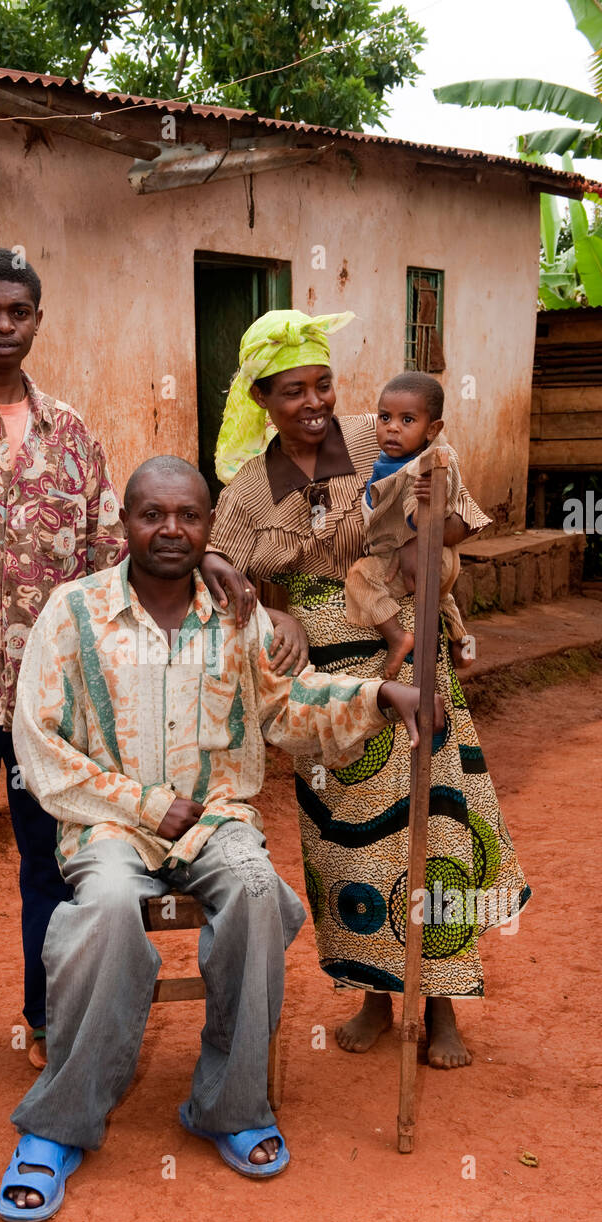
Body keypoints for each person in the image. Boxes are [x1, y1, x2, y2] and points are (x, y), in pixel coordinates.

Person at [0, 455, 436, 1222]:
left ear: (209, 528)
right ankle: (58, 1125)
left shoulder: (238, 615)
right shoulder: (72, 614)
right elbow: (38, 746)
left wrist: (378, 695)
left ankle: (230, 1106)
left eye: (188, 515)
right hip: (109, 825)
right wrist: (143, 803)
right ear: (125, 523)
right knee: (104, 912)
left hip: (218, 820)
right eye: (152, 514)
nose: (171, 529)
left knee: (258, 892)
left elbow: (288, 707)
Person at [0, 250, 267, 1101]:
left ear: (37, 321)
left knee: (54, 864)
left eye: (18, 312)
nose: (3, 325)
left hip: (61, 705)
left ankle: (51, 1014)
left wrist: (209, 560)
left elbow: (114, 551)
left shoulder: (74, 433)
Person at [210, 309, 530, 1068]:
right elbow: (218, 563)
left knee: (435, 828)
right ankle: (375, 996)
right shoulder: (248, 488)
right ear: (261, 399)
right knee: (345, 844)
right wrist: (275, 612)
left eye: (323, 384)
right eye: (294, 390)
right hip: (320, 688)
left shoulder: (374, 437)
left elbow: (453, 503)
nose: (314, 402)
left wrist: (427, 534)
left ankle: (443, 1004)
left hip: (408, 660)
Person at [344, 371, 471, 679]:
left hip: (423, 554)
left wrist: (429, 504)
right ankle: (460, 641)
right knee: (441, 596)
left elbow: (418, 516)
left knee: (359, 579)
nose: (392, 428)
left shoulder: (426, 465)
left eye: (407, 420)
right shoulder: (391, 458)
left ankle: (397, 637)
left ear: (432, 429)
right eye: (385, 417)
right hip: (439, 558)